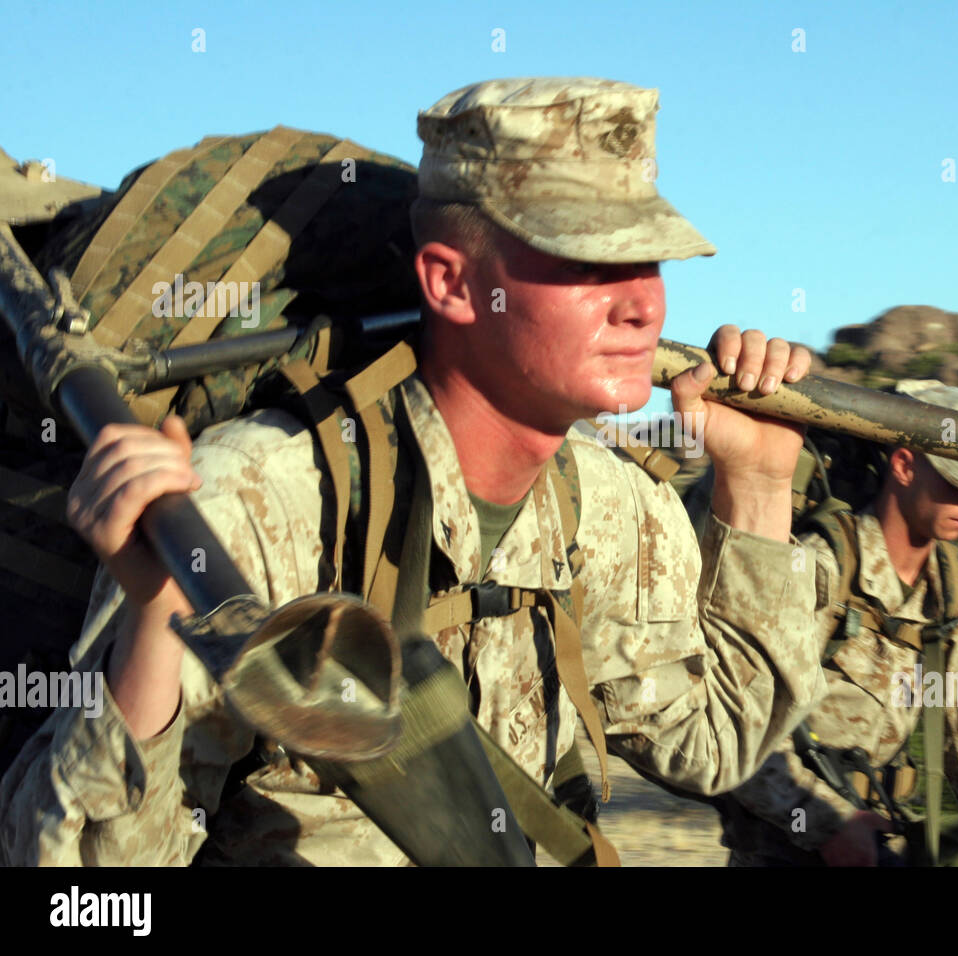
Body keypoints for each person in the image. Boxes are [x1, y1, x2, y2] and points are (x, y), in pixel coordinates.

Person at [0, 77, 827, 865]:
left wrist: (756, 485)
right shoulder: (253, 500)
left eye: (647, 261)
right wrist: (155, 617)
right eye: (585, 262)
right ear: (451, 282)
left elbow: (714, 745)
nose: (645, 303)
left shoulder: (613, 507)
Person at [713, 381, 958, 867]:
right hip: (780, 850)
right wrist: (828, 824)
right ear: (904, 466)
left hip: (879, 844)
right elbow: (736, 731)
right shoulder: (818, 572)